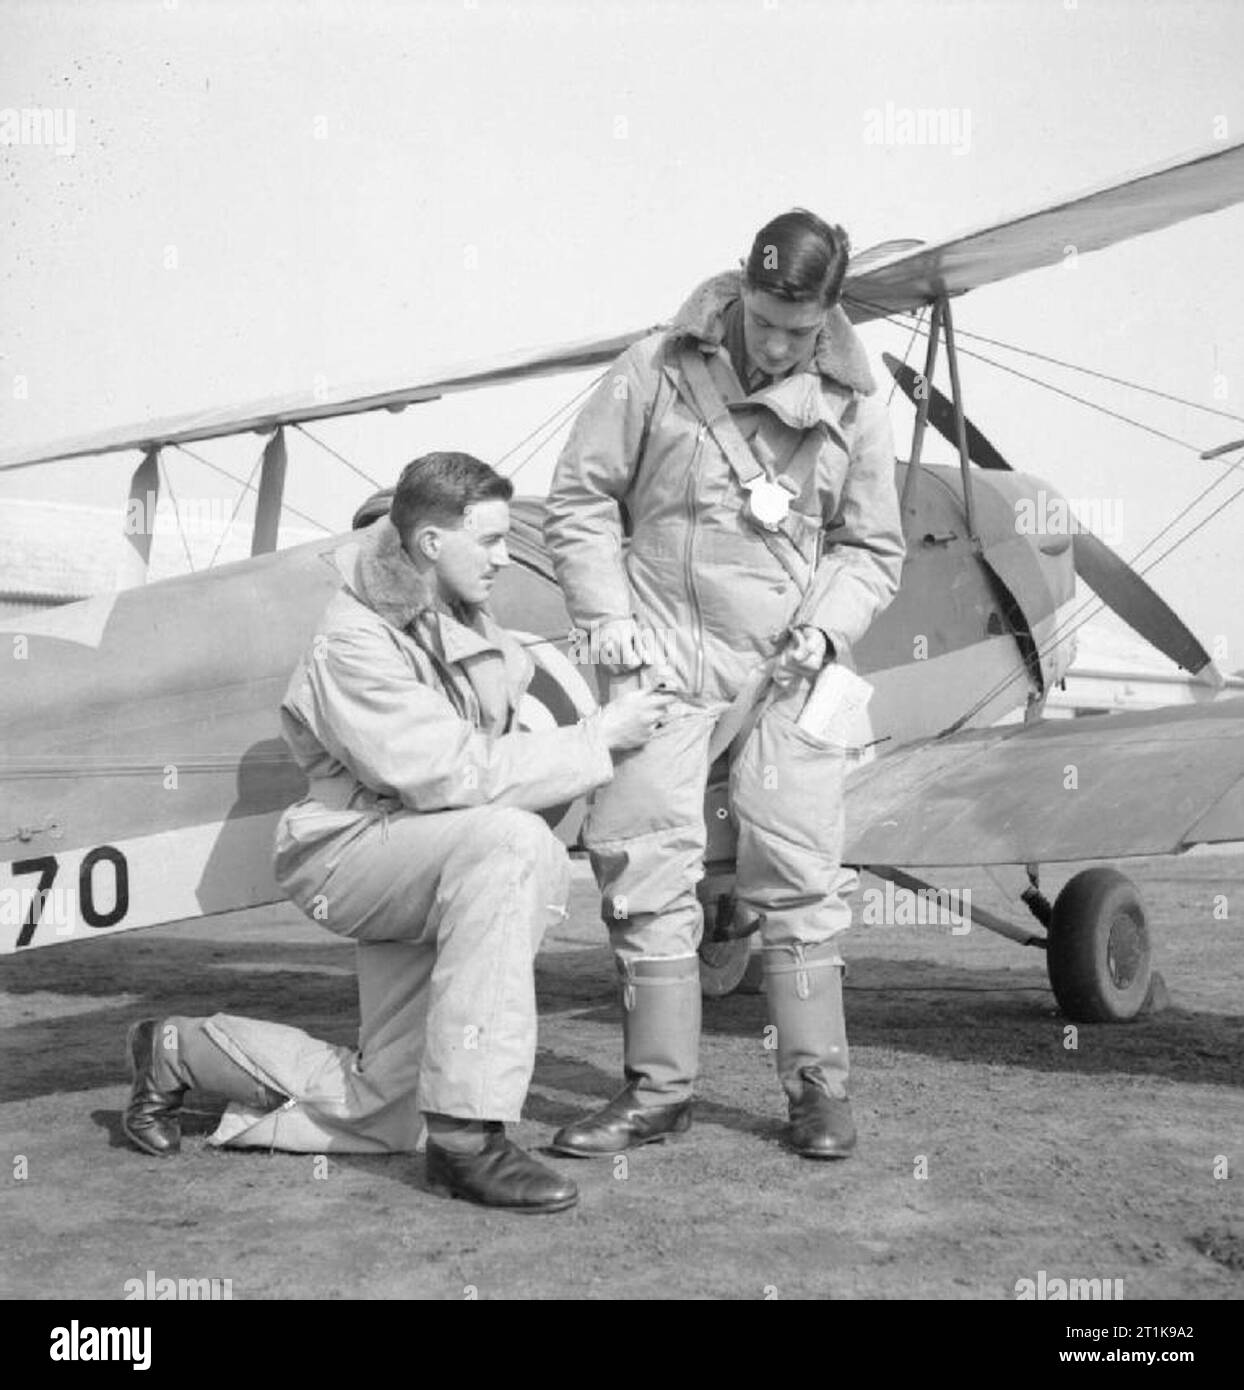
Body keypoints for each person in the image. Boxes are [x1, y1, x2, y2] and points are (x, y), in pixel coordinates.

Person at [122, 451, 670, 1214]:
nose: (506, 557)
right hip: (350, 851)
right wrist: (597, 739)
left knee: (387, 1111)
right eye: (491, 540)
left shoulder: (463, 622)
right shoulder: (353, 639)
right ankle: (468, 1140)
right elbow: (449, 771)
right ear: (432, 543)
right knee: (514, 845)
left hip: (426, 854)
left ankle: (178, 1052)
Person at [543, 210, 905, 1161]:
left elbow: (872, 550)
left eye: (800, 330)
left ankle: (818, 1092)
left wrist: (826, 628)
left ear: (829, 313)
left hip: (789, 672)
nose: (777, 346)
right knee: (641, 865)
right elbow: (580, 498)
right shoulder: (654, 369)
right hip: (660, 662)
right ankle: (658, 1092)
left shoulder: (857, 406)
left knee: (799, 876)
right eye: (765, 321)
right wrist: (606, 617)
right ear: (742, 284)